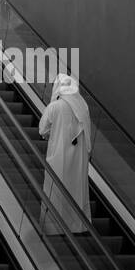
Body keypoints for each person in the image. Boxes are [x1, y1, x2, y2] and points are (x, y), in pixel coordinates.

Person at [38, 73, 93, 234]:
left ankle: (53, 227)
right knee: (76, 190)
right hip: (79, 158)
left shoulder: (55, 106)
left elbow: (43, 129)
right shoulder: (83, 107)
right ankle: (78, 225)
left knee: (56, 188)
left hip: (58, 154)